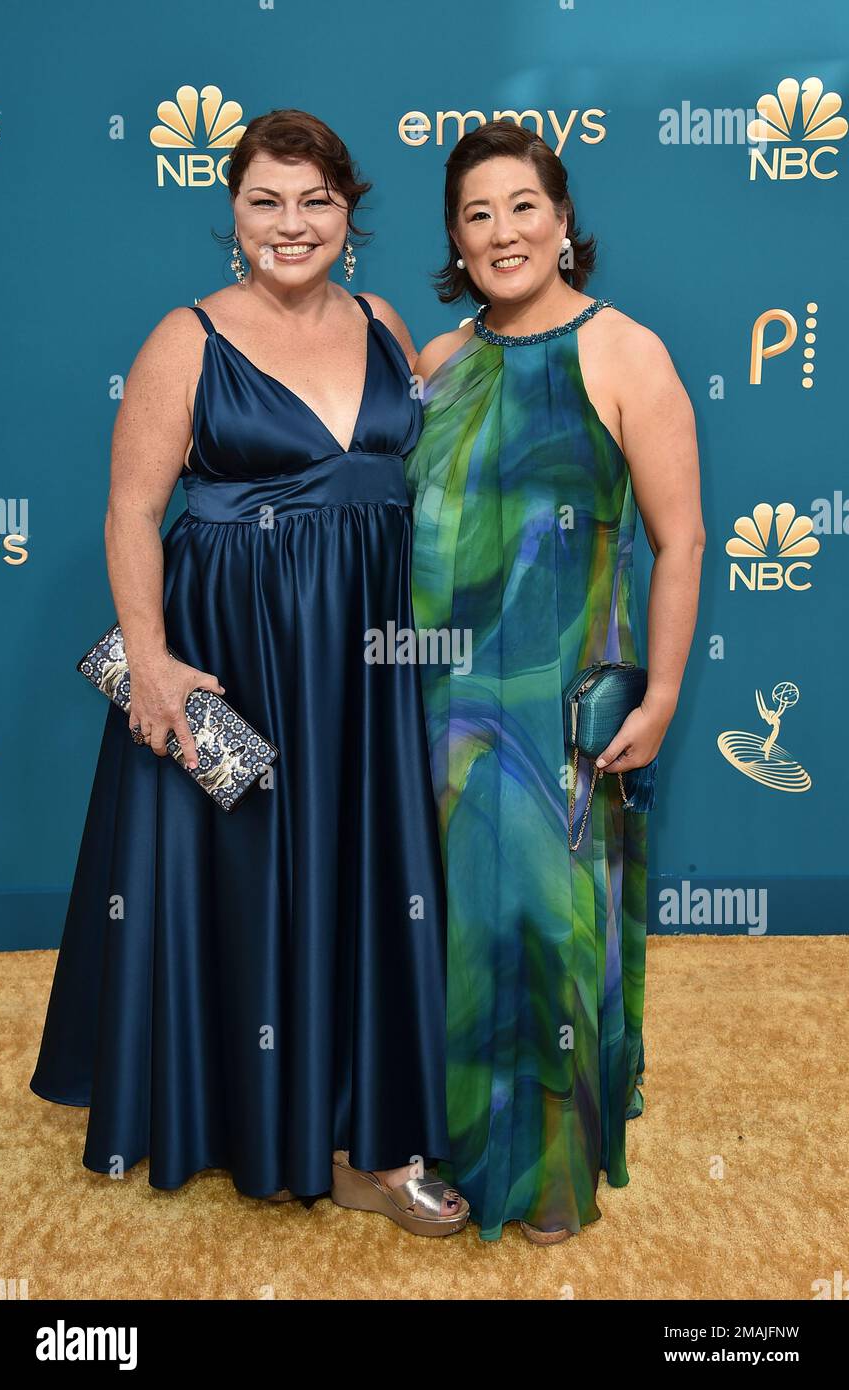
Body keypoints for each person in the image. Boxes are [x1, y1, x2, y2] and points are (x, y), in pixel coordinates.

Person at [29, 108, 468, 1238]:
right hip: (234, 645)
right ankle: (248, 1112)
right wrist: (158, 666)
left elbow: (423, 454)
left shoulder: (382, 321)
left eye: (314, 200)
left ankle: (370, 1131)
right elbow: (132, 510)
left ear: (347, 213)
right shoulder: (186, 337)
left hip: (365, 648)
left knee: (361, 867)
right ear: (233, 210)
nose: (291, 223)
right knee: (244, 868)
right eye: (266, 200)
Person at [404, 120, 704, 1242]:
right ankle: (449, 1148)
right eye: (476, 213)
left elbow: (678, 541)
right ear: (454, 236)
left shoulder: (624, 352)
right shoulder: (437, 364)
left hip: (560, 708)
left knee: (543, 925)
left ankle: (547, 1172)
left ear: (563, 219)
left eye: (521, 205)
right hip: (433, 707)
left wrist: (662, 695)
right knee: (451, 936)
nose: (502, 231)